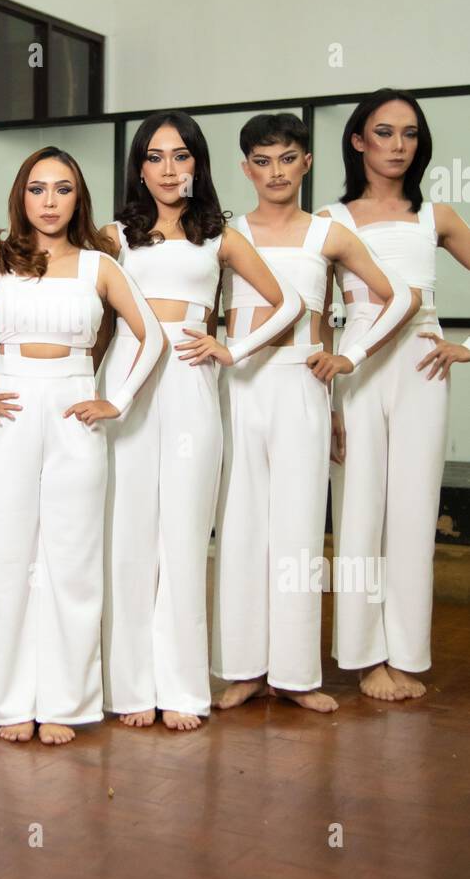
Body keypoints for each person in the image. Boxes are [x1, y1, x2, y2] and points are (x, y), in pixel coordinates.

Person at [0, 147, 164, 745]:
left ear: (78, 198)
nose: (49, 202)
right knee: (5, 558)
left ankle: (66, 701)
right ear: (21, 197)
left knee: (73, 560)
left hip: (76, 407)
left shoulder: (99, 266)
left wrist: (119, 399)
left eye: (62, 189)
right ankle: (6, 701)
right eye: (37, 189)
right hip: (9, 407)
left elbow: (151, 334)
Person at [99, 111, 310, 731]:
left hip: (192, 382)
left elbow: (289, 303)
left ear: (198, 165)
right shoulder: (114, 236)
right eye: (157, 156)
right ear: (139, 167)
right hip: (128, 381)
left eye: (182, 155)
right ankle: (130, 686)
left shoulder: (218, 234)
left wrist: (232, 350)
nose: (169, 168)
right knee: (129, 536)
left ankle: (184, 686)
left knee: (186, 538)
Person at [212, 112, 415, 713]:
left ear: (307, 163)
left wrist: (349, 357)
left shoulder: (325, 233)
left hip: (302, 383)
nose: (276, 171)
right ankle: (245, 669)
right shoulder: (225, 234)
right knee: (242, 527)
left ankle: (296, 674)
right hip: (238, 385)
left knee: (298, 531)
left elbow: (397, 296)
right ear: (246, 168)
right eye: (263, 160)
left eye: (288, 158)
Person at [319, 89, 470, 701]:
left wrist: (468, 348)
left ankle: (406, 653)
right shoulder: (331, 219)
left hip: (423, 365)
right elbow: (312, 318)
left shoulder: (438, 219)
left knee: (412, 513)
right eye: (384, 133)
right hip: (356, 364)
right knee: (357, 512)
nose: (397, 146)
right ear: (358, 140)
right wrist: (326, 404)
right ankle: (362, 656)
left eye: (409, 134)